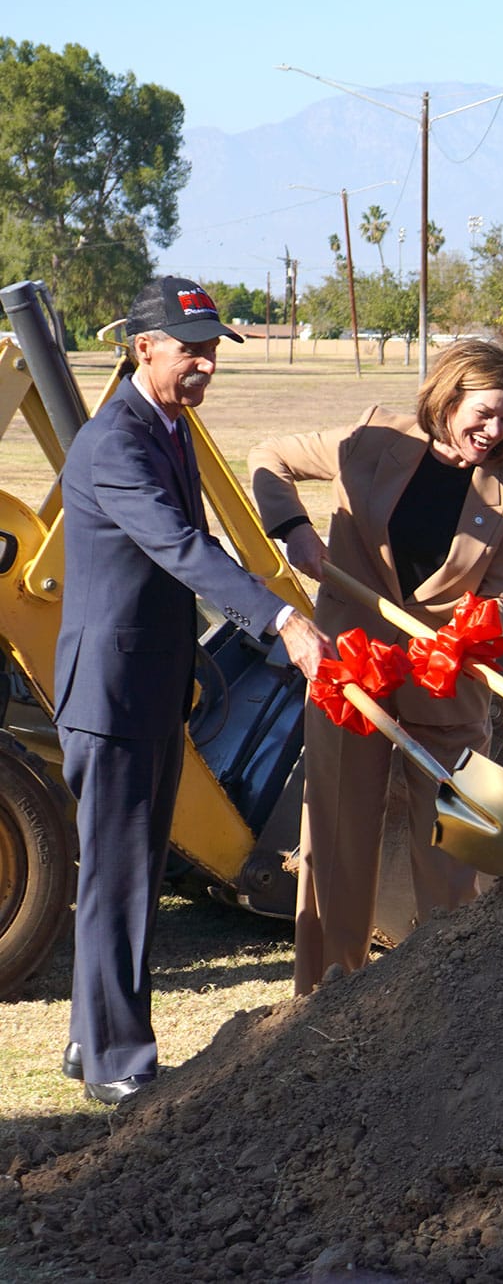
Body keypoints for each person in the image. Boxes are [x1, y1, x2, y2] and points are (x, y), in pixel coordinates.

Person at [56, 276, 333, 1104]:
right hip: (111, 695)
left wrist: (282, 580)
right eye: (192, 349)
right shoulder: (119, 444)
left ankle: (88, 1037)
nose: (207, 363)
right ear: (145, 348)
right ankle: (117, 1063)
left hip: (150, 687)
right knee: (119, 875)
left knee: (128, 866)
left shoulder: (167, 424)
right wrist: (279, 620)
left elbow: (197, 544)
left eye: (214, 349)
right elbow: (180, 547)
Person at [249, 340, 503, 993]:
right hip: (353, 676)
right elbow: (269, 457)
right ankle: (327, 996)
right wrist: (293, 526)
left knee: (453, 856)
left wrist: (471, 633)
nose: (493, 433)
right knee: (337, 843)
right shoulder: (369, 440)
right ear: (449, 396)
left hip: (447, 691)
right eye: (485, 413)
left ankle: (446, 998)